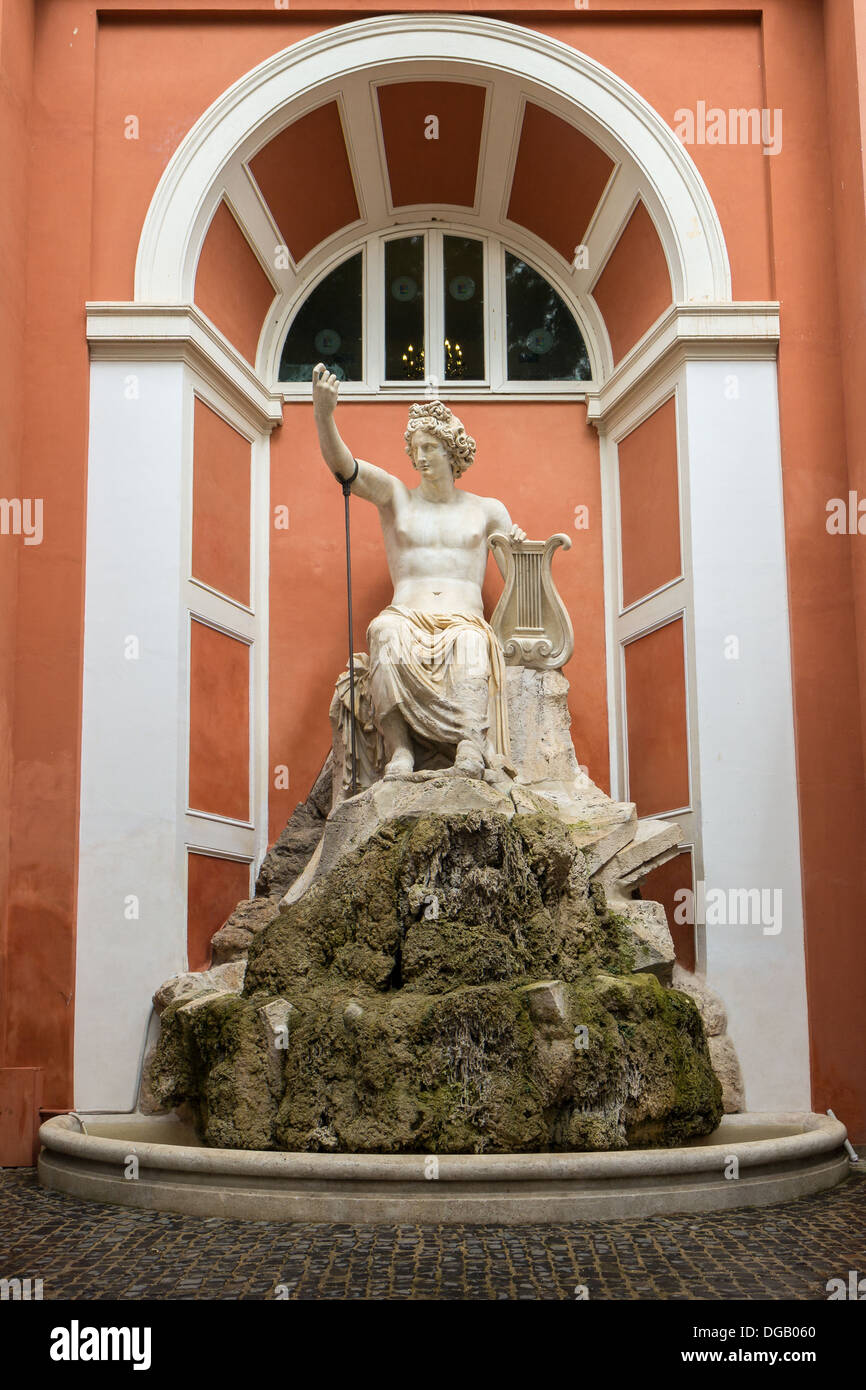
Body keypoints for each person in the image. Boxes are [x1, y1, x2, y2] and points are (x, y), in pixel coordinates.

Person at [313, 363, 526, 783]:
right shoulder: (396, 497)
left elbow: (519, 589)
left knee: (470, 640)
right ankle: (401, 750)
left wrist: (518, 551)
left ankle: (469, 744)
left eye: (430, 446)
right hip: (405, 617)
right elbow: (346, 468)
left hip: (463, 619)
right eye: (415, 447)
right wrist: (324, 415)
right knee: (382, 632)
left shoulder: (487, 510)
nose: (420, 456)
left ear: (452, 450)